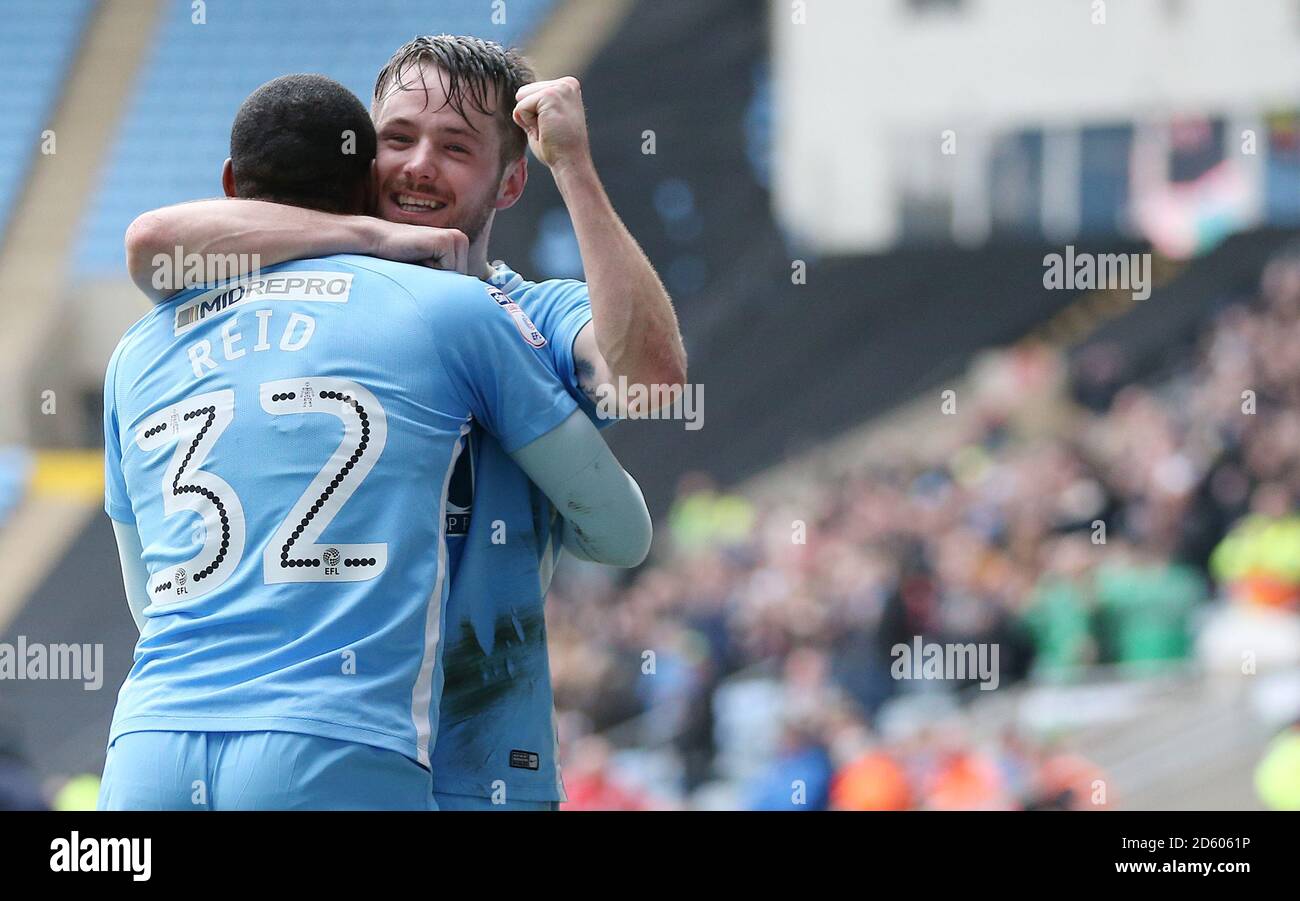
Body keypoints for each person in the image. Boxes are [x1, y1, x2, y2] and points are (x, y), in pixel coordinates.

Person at [123, 34, 687, 810]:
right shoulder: (437, 310)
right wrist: (378, 240)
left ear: (513, 179)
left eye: (454, 147)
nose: (419, 164)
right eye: (397, 139)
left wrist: (578, 172)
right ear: (362, 158)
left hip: (471, 759)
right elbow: (153, 245)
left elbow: (651, 383)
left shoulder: (530, 310)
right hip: (358, 752)